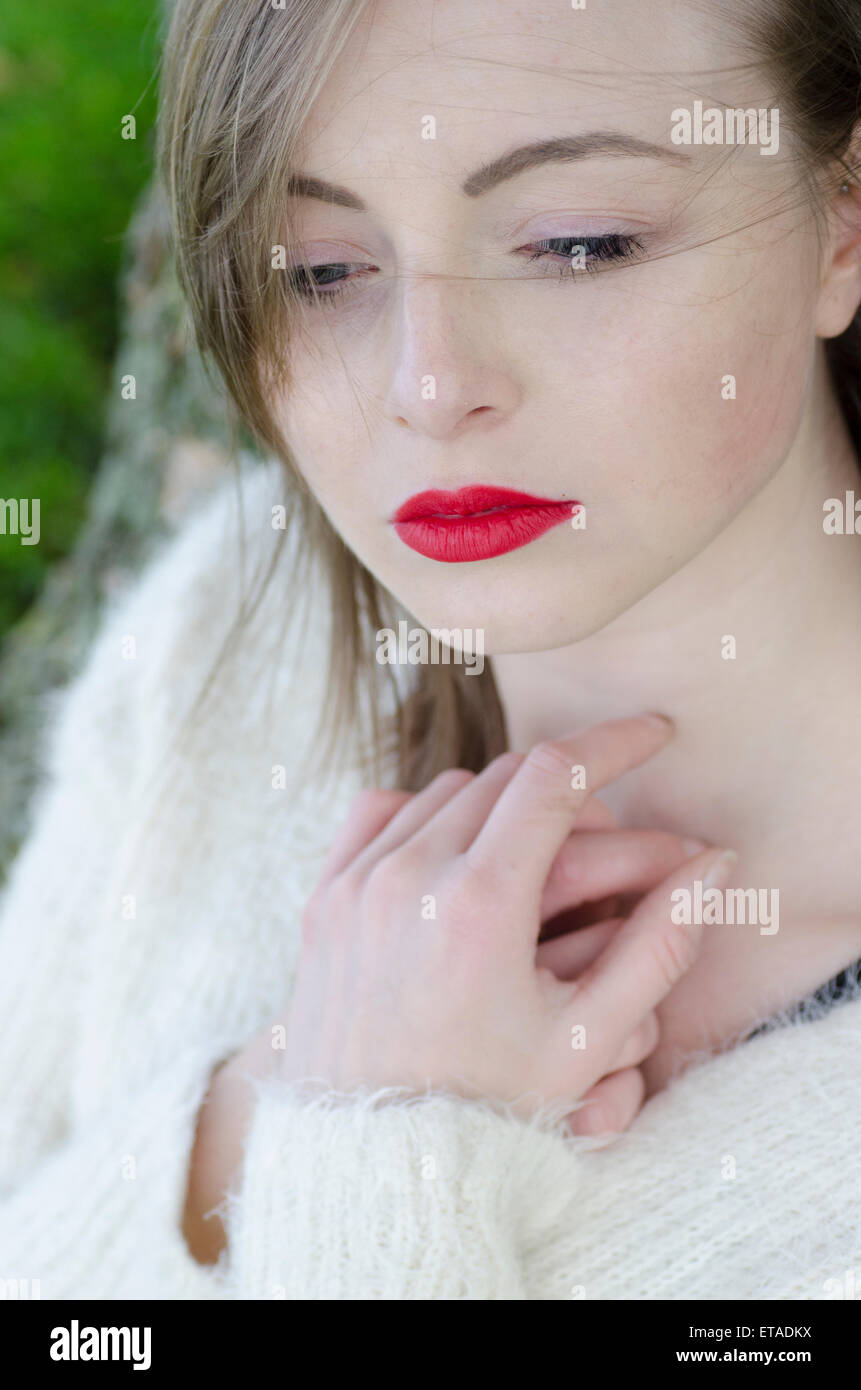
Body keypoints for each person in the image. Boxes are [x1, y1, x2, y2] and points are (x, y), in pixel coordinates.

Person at [2, 0, 861, 1300]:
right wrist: (265, 1099)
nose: (427, 381)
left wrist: (379, 1146)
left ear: (842, 217)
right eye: (323, 269)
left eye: (575, 244)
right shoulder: (230, 633)